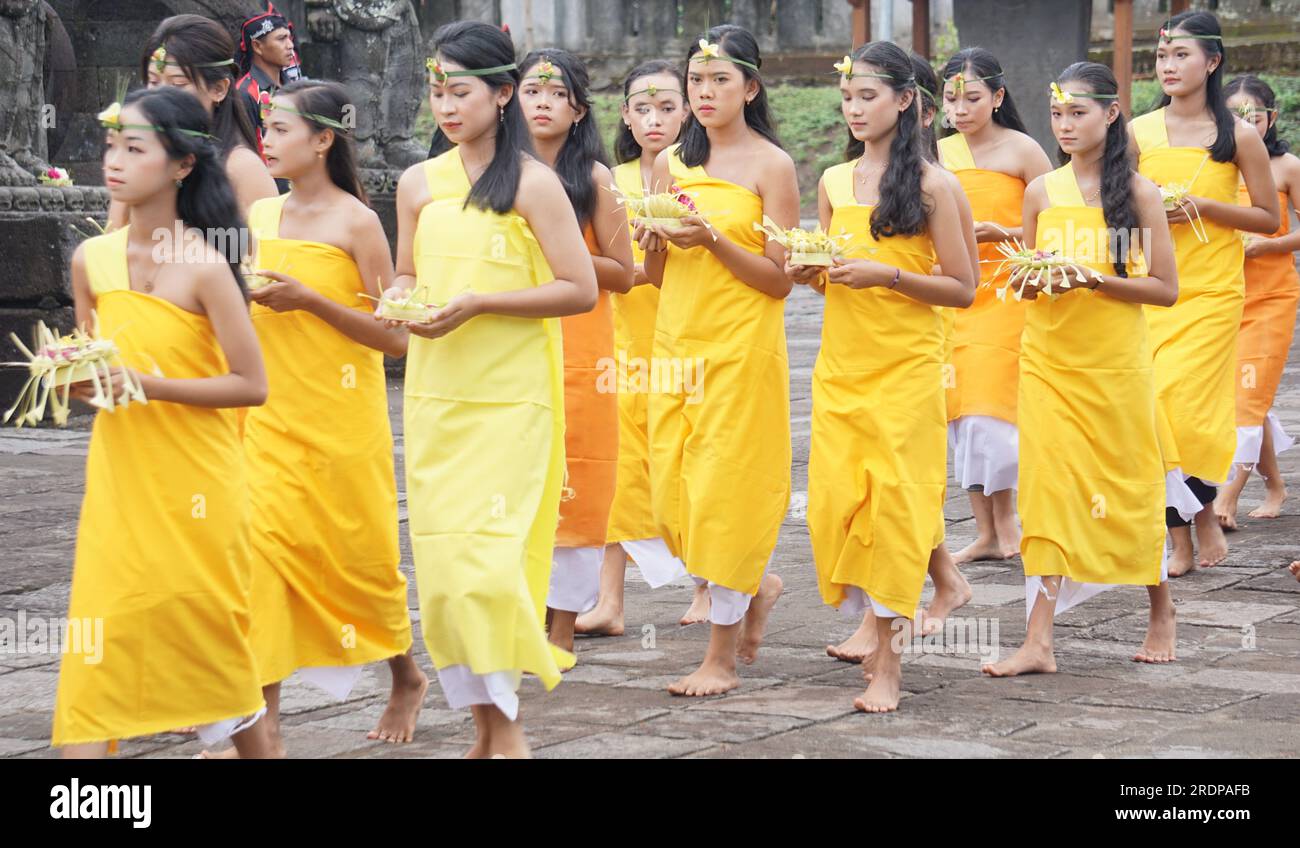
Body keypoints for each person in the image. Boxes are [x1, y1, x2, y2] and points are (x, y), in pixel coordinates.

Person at [389, 21, 596, 758]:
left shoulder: (534, 184)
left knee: (490, 568)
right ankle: (483, 729)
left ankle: (507, 732)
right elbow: (408, 272)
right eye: (437, 91)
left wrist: (480, 302)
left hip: (511, 402)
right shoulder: (417, 182)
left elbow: (581, 289)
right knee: (444, 574)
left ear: (503, 93)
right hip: (437, 395)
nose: (446, 105)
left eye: (463, 90)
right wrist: (403, 298)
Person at [203, 81, 426, 758]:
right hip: (268, 417)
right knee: (263, 562)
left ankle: (406, 675)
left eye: (279, 127)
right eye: (264, 127)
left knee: (359, 561)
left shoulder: (357, 220)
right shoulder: (262, 217)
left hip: (339, 418)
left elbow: (396, 339)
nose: (264, 138)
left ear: (324, 139)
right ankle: (261, 722)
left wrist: (311, 302)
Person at [52, 87, 274, 758]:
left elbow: (252, 385)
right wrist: (72, 379)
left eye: (134, 148)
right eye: (111, 146)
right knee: (101, 636)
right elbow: (94, 374)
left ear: (181, 165)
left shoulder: (207, 266)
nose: (114, 162)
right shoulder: (91, 259)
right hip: (122, 482)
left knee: (210, 634)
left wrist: (149, 385)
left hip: (198, 486)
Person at [792, 42, 974, 713]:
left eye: (868, 96)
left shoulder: (934, 185)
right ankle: (929, 590)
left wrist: (889, 275)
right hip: (842, 367)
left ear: (906, 102)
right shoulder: (835, 182)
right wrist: (809, 271)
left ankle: (888, 666)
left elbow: (963, 287)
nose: (855, 109)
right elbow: (829, 271)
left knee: (895, 508)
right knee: (842, 503)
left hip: (906, 371)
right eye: (847, 98)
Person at [983, 62, 1181, 674]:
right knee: (1045, 493)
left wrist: (1093, 277)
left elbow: (1159, 287)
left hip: (1114, 367)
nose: (1065, 126)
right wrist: (1032, 278)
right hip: (1047, 362)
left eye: (1078, 113)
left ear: (1110, 114)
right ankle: (1038, 640)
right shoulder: (1043, 191)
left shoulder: (1137, 195)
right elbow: (1029, 278)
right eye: (1058, 114)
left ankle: (1161, 608)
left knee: (1125, 487)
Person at [639, 25, 797, 696]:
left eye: (719, 81)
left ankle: (720, 658)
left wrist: (709, 240)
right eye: (696, 82)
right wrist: (651, 239)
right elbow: (650, 273)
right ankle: (758, 583)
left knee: (722, 493)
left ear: (750, 88)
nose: (704, 94)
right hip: (678, 340)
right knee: (670, 492)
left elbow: (779, 278)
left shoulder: (772, 167)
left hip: (741, 346)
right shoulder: (669, 161)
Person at [1129, 11, 1279, 576]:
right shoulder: (1136, 131)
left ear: (1212, 63)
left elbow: (1267, 218)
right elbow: (1113, 209)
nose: (1168, 67)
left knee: (1183, 409)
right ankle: (1187, 532)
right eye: (1162, 57)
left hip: (1213, 292)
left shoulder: (1237, 136)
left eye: (1181, 56)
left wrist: (1207, 207)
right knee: (1152, 414)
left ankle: (1206, 518)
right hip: (1153, 288)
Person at [577, 59, 702, 638]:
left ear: (689, 109)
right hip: (620, 340)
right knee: (619, 467)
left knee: (688, 462)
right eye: (642, 108)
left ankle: (710, 581)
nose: (655, 119)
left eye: (668, 107)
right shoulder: (606, 179)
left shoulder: (702, 175)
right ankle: (609, 601)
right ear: (624, 115)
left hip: (685, 335)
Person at [516, 49, 634, 655]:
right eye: (530, 91)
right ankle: (522, 617)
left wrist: (556, 252)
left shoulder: (593, 179)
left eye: (554, 93)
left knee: (577, 487)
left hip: (581, 355)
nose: (539, 102)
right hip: (511, 351)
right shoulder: (494, 175)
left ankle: (562, 630)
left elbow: (623, 271)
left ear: (578, 108)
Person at [938, 48, 1053, 564]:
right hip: (956, 292)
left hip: (1009, 291)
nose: (960, 109)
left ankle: (1008, 524)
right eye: (950, 98)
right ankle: (985, 532)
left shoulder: (1024, 150)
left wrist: (1001, 231)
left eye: (972, 98)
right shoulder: (938, 155)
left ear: (998, 98)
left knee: (992, 410)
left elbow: (1057, 222)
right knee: (961, 412)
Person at [1213, 75, 1299, 528]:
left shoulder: (1286, 166)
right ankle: (1276, 484)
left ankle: (1227, 494)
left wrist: (1268, 245)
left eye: (1255, 117)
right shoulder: (1216, 167)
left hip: (1272, 298)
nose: (1246, 125)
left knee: (1246, 395)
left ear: (1272, 118)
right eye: (1235, 117)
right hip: (1221, 296)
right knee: (1249, 394)